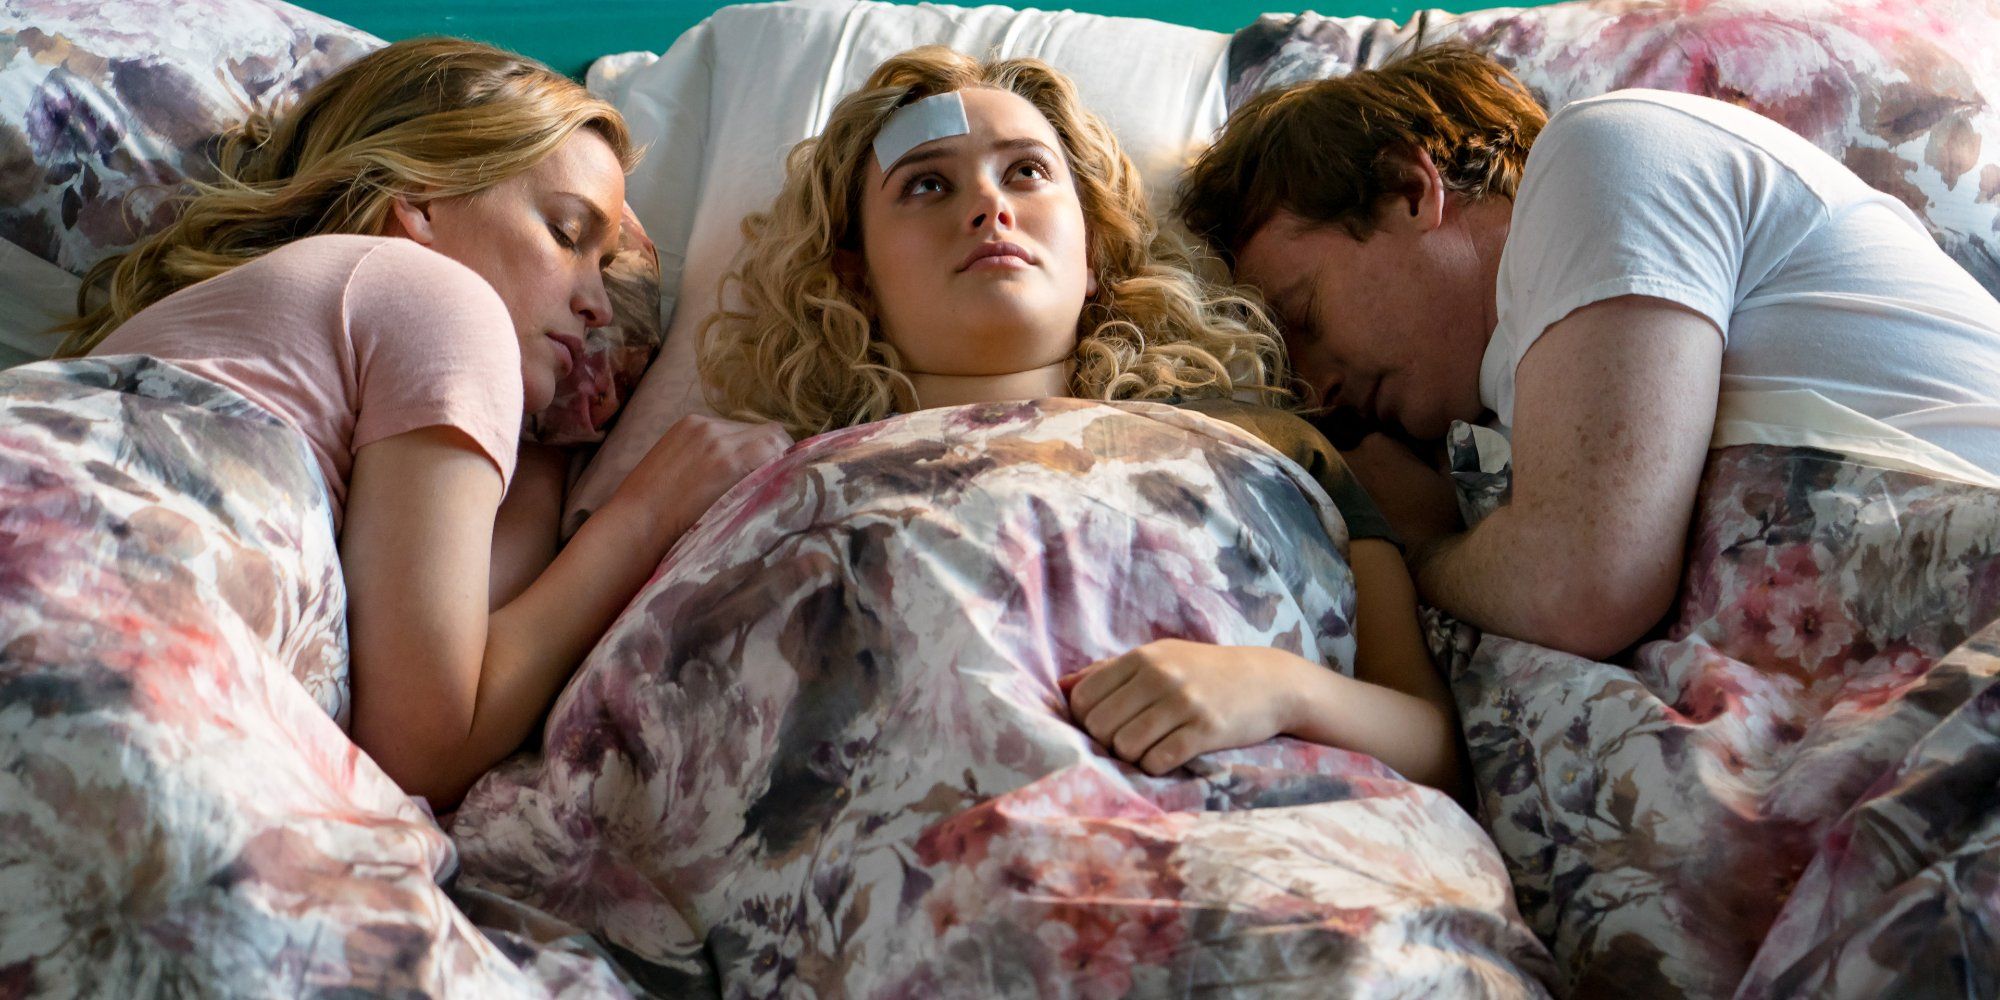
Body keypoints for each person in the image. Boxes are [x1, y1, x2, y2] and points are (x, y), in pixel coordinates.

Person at [52, 37, 792, 808]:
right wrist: (646, 509)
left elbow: (452, 641)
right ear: (420, 200)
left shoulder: (237, 322)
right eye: (568, 235)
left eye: (604, 267)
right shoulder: (439, 295)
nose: (600, 306)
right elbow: (425, 741)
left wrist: (545, 439)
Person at [699, 46, 1462, 792]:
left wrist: (1279, 688)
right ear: (854, 275)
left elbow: (1438, 752)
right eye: (928, 184)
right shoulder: (778, 483)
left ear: (1094, 248)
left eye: (1026, 172)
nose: (989, 206)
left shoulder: (1272, 448)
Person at [1176, 45, 2000, 659]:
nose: (1316, 388)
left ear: (1407, 189)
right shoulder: (1502, 415)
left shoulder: (1607, 149)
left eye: (1304, 315)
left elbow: (1587, 585)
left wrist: (1416, 543)